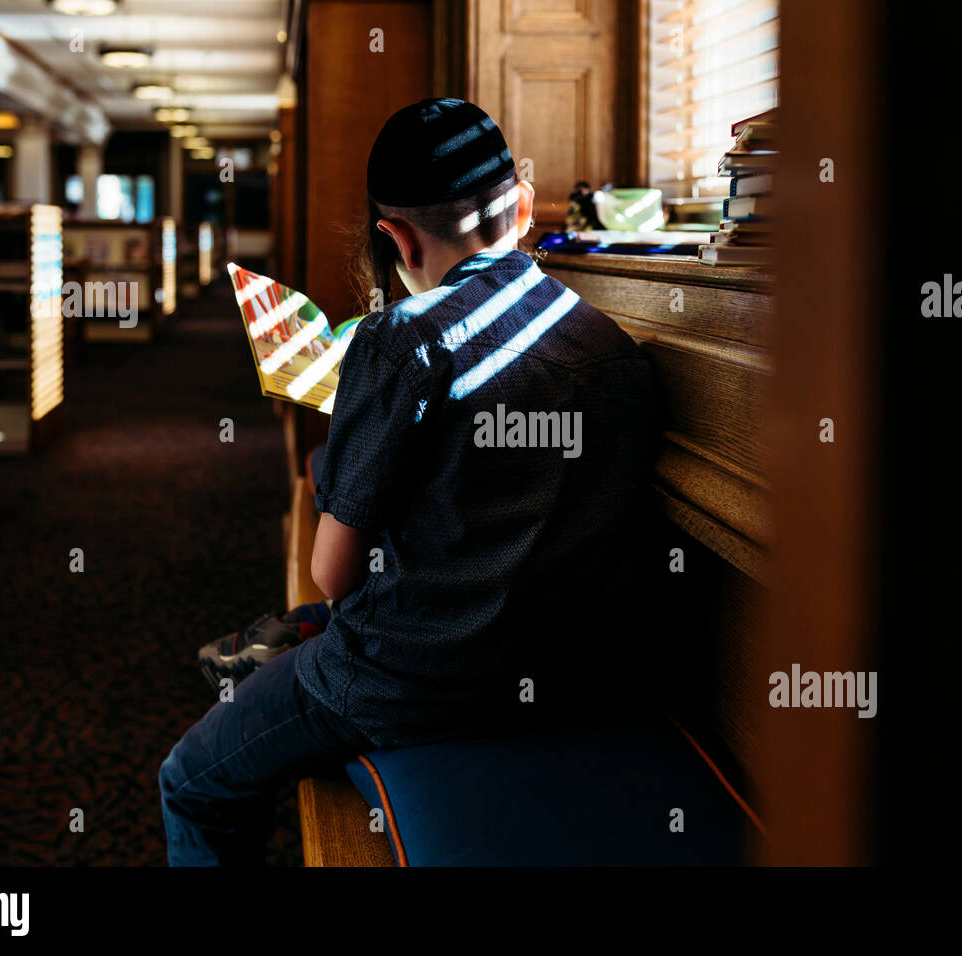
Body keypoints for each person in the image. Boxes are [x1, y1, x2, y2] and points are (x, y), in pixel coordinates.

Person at [160, 98, 660, 866]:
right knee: (314, 620)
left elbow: (334, 572)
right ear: (522, 207)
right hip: (564, 670)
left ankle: (270, 653)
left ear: (392, 235)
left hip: (410, 684)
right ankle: (275, 643)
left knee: (191, 780)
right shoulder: (611, 345)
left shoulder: (402, 341)